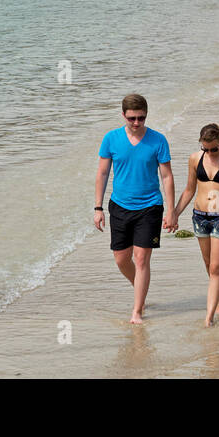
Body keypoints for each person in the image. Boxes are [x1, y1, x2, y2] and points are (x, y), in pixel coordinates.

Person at [94, 94, 177, 324]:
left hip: (150, 206)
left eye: (141, 118)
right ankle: (140, 287)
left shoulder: (158, 140)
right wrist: (98, 207)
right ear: (123, 115)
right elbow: (102, 173)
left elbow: (167, 176)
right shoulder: (111, 139)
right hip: (119, 206)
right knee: (121, 259)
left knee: (141, 260)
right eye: (132, 118)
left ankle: (137, 311)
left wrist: (171, 211)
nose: (137, 123)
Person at [173, 123, 219, 327]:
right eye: (206, 148)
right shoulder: (195, 159)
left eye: (214, 148)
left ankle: (209, 317)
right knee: (209, 265)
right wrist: (175, 213)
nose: (210, 152)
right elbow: (189, 190)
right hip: (200, 217)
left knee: (215, 267)